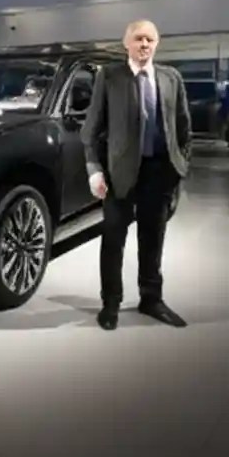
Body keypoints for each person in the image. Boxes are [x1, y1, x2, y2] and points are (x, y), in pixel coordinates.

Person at [81, 19, 192, 330]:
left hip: (159, 173)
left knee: (153, 238)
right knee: (113, 239)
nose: (145, 44)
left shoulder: (172, 78)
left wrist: (180, 166)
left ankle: (151, 300)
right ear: (126, 43)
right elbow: (90, 131)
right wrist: (94, 171)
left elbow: (184, 129)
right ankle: (110, 304)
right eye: (139, 39)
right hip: (119, 176)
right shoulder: (110, 76)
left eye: (151, 39)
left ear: (157, 43)